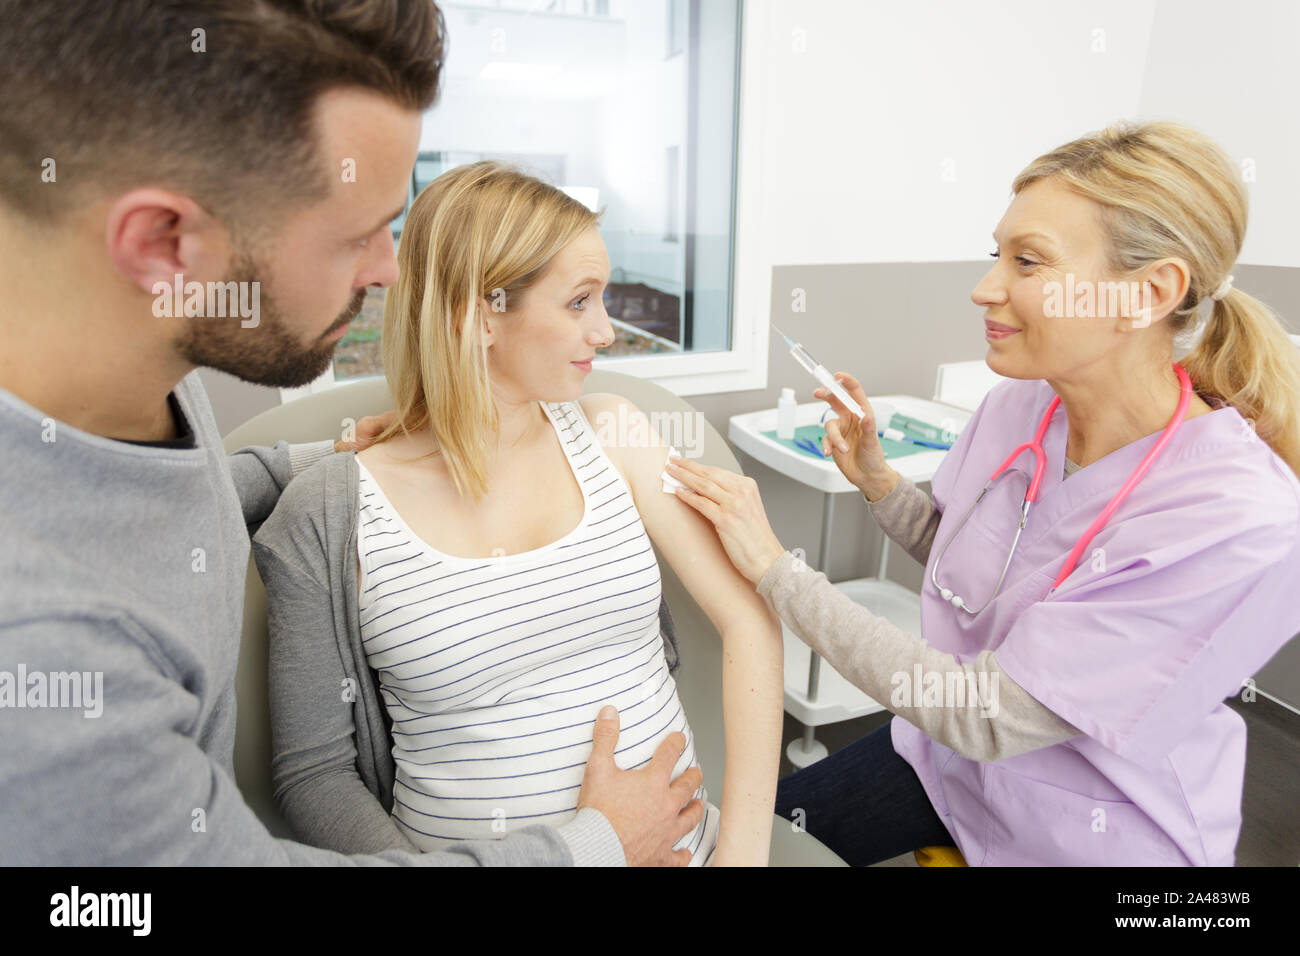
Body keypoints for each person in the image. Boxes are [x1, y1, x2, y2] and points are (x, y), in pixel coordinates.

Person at [0, 0, 704, 866]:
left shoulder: (123, 404)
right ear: (164, 244)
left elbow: (173, 496)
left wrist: (345, 455)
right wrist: (590, 846)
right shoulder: (38, 650)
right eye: (357, 234)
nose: (393, 269)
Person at [666, 120, 1300, 866]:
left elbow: (989, 715)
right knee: (744, 842)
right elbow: (979, 565)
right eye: (995, 253)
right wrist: (879, 482)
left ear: (1149, 293)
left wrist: (778, 571)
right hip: (949, 763)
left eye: (1027, 261)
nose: (984, 287)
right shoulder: (1025, 404)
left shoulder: (1233, 518)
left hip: (1097, 822)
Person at [252, 161, 786, 866]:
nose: (607, 332)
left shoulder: (615, 435)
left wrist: (740, 862)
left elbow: (750, 618)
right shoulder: (326, 515)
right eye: (579, 303)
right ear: (481, 317)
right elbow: (315, 779)